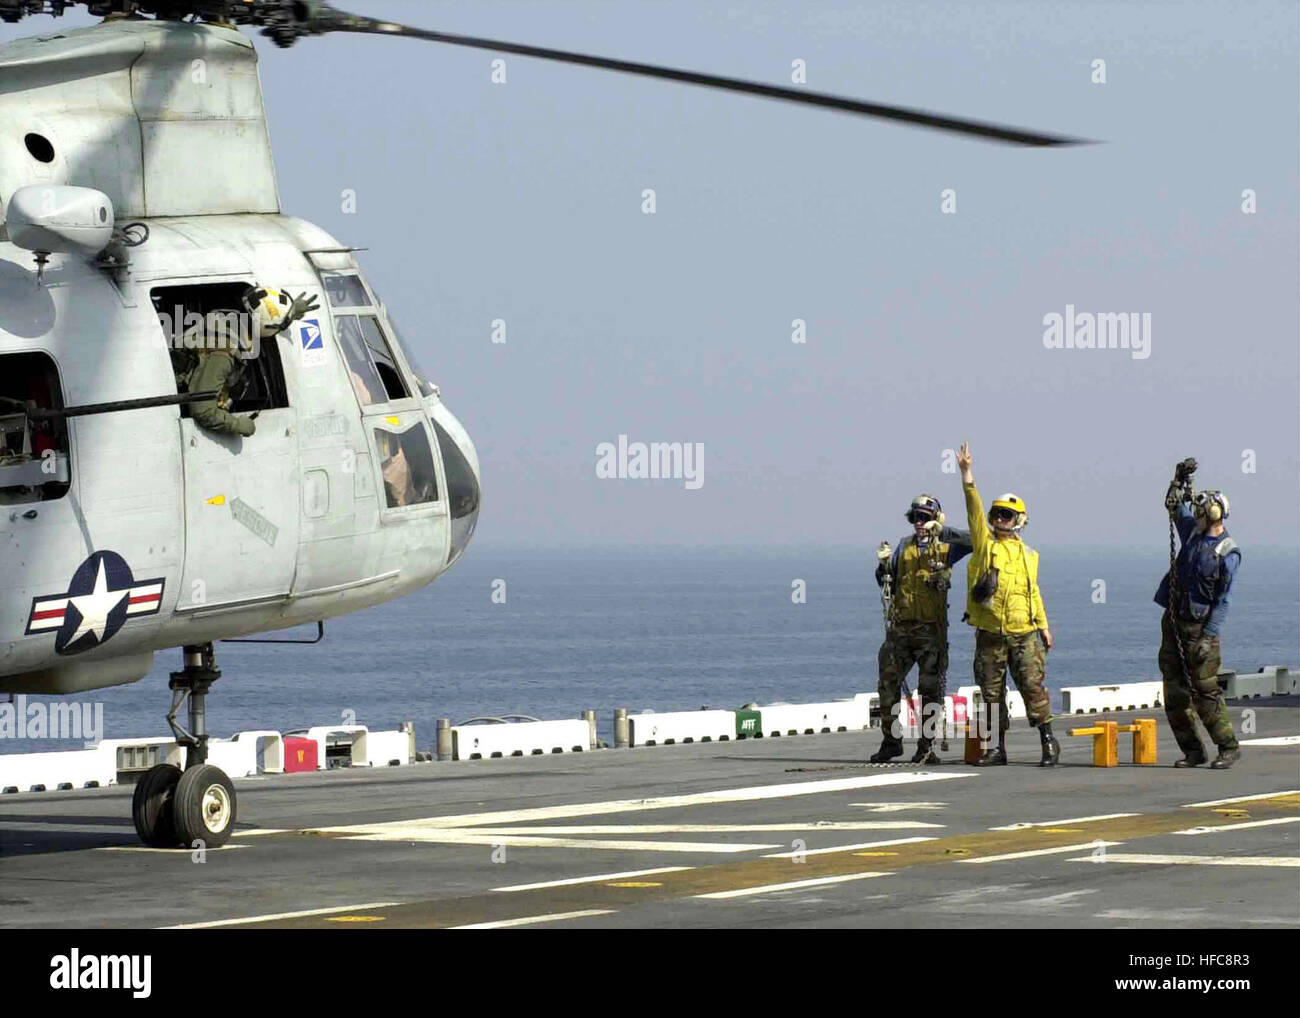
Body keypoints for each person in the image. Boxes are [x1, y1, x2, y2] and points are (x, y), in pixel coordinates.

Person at [956, 441, 1058, 766]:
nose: (999, 519)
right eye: (996, 513)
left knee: (1032, 687)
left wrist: (1044, 626)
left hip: (1024, 633)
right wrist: (967, 475)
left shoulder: (1030, 555)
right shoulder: (985, 546)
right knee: (990, 694)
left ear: (1019, 520)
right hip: (990, 633)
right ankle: (996, 749)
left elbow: (1033, 592)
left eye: (1006, 514)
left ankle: (1048, 742)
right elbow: (973, 510)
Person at [870, 494, 972, 764]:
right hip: (900, 631)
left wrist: (944, 531)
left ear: (935, 519)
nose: (919, 522)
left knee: (929, 692)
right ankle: (891, 742)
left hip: (931, 634)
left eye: (925, 517)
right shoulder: (904, 547)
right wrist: (882, 566)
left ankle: (926, 748)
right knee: (887, 686)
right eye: (916, 517)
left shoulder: (947, 546)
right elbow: (886, 581)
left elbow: (976, 540)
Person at [1154, 458, 1241, 769]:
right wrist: (1179, 479)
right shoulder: (1192, 533)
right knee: (1174, 692)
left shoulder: (1228, 552)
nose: (1194, 516)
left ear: (1210, 515)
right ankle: (1193, 751)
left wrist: (1208, 636)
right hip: (1175, 623)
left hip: (1200, 629)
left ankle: (1228, 747)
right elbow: (1174, 504)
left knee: (1205, 693)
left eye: (1199, 513)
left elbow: (1223, 600)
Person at [185, 285, 318, 437]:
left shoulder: (231, 317)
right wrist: (237, 425)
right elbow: (202, 410)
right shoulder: (222, 353)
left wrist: (291, 311)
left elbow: (262, 313)